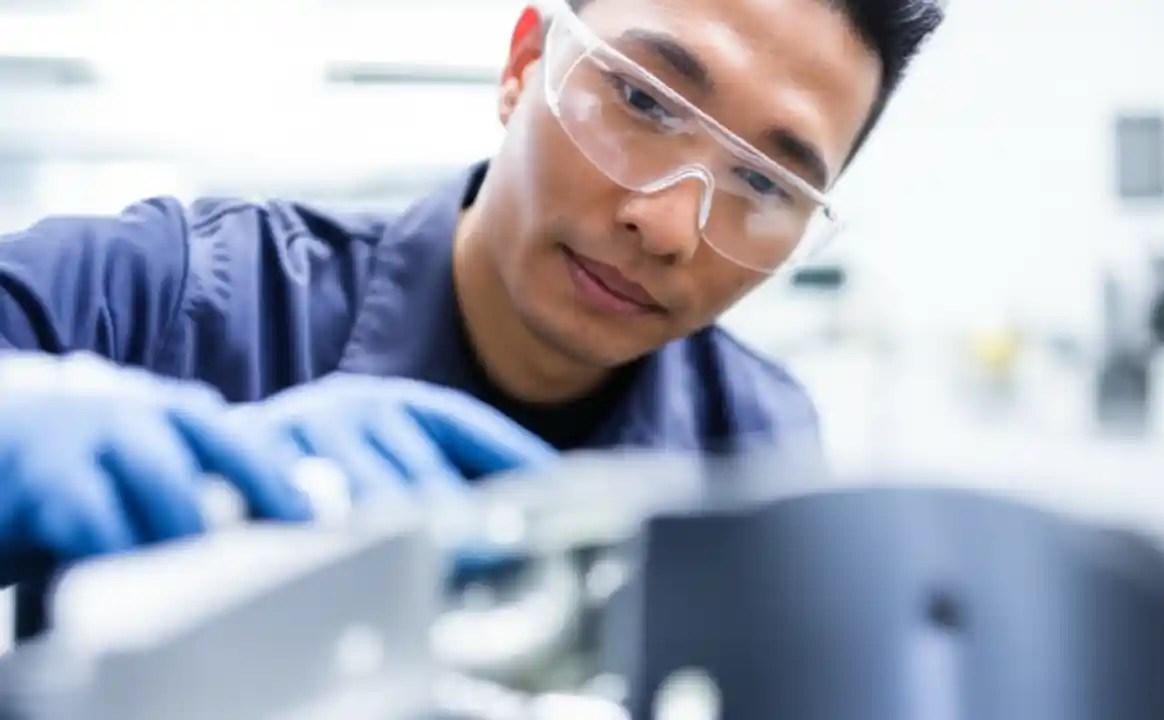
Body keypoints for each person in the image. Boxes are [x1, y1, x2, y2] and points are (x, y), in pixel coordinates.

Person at [0, 0, 943, 623]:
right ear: (524, 63)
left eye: (763, 184)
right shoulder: (174, 293)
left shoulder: (755, 449)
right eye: (641, 100)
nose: (666, 228)